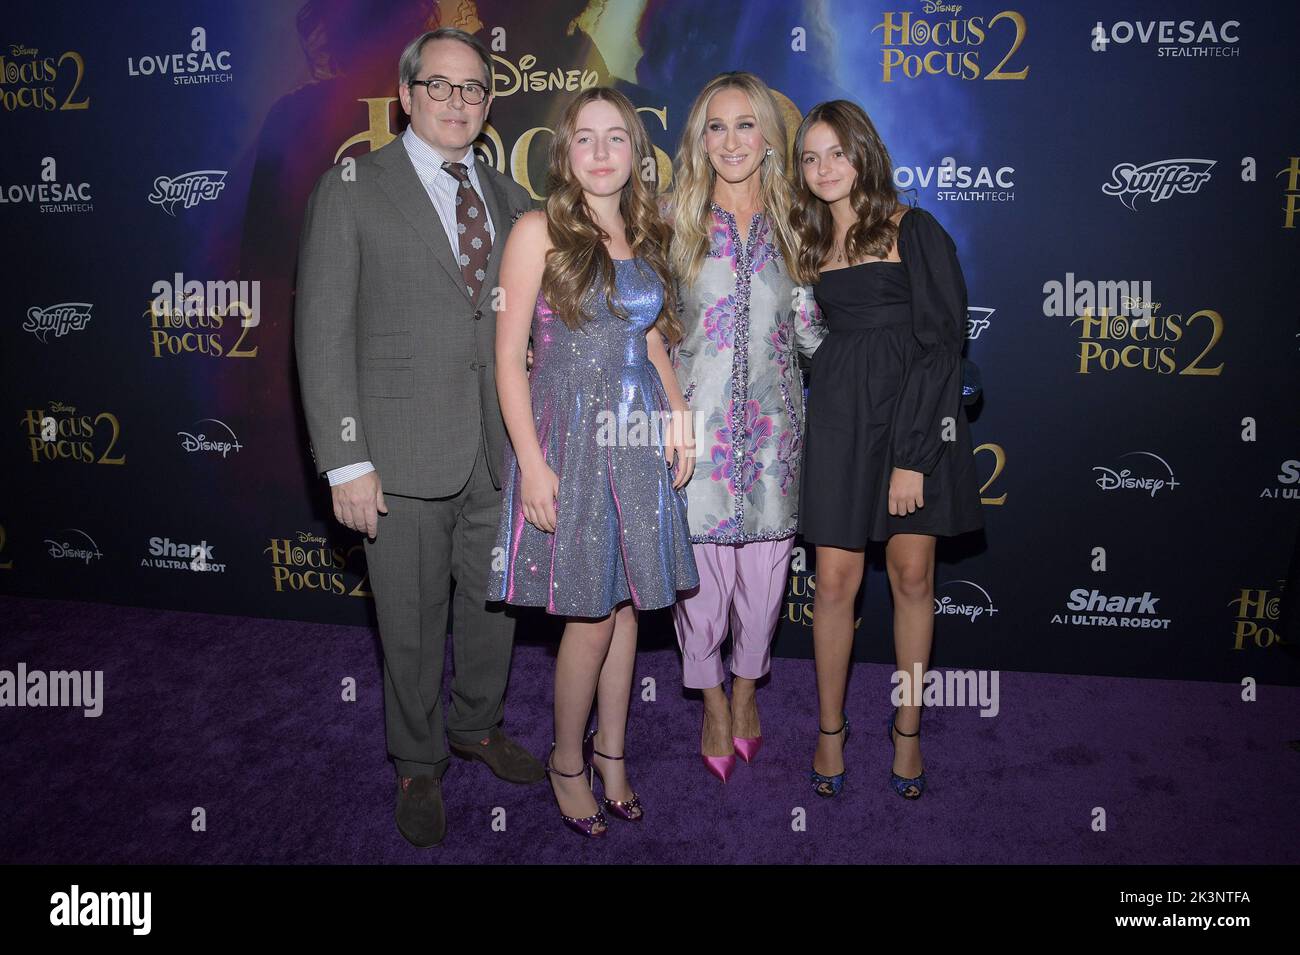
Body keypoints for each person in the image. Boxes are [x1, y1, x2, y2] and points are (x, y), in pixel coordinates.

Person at [294, 27, 544, 849]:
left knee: (492, 605)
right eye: (440, 86)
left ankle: (476, 724)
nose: (458, 102)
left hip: (498, 447)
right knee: (406, 616)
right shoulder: (355, 186)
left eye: (474, 90)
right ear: (406, 95)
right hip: (396, 454)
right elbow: (321, 334)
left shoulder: (513, 200)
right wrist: (346, 458)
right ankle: (416, 759)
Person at [488, 87, 699, 837]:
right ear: (565, 152)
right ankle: (566, 760)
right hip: (570, 440)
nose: (603, 152)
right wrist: (532, 464)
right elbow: (509, 361)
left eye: (618, 138)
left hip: (636, 434)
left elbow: (649, 340)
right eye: (587, 138)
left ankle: (613, 752)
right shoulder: (536, 230)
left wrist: (679, 416)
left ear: (638, 154)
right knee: (587, 612)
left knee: (626, 604)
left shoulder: (644, 229)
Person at [790, 100, 984, 800]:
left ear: (864, 153)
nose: (823, 168)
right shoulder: (809, 243)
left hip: (912, 420)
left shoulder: (913, 227)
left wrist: (912, 455)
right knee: (833, 585)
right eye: (810, 157)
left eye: (836, 152)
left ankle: (908, 727)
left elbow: (942, 345)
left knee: (911, 580)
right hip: (841, 419)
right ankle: (829, 729)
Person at [663, 72, 825, 782]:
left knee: (764, 582)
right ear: (701, 139)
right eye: (716, 126)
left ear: (768, 138)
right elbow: (651, 330)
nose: (731, 141)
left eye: (745, 125)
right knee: (698, 586)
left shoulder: (800, 223)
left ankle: (748, 689)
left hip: (775, 434)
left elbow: (815, 335)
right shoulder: (670, 220)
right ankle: (711, 701)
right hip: (693, 433)